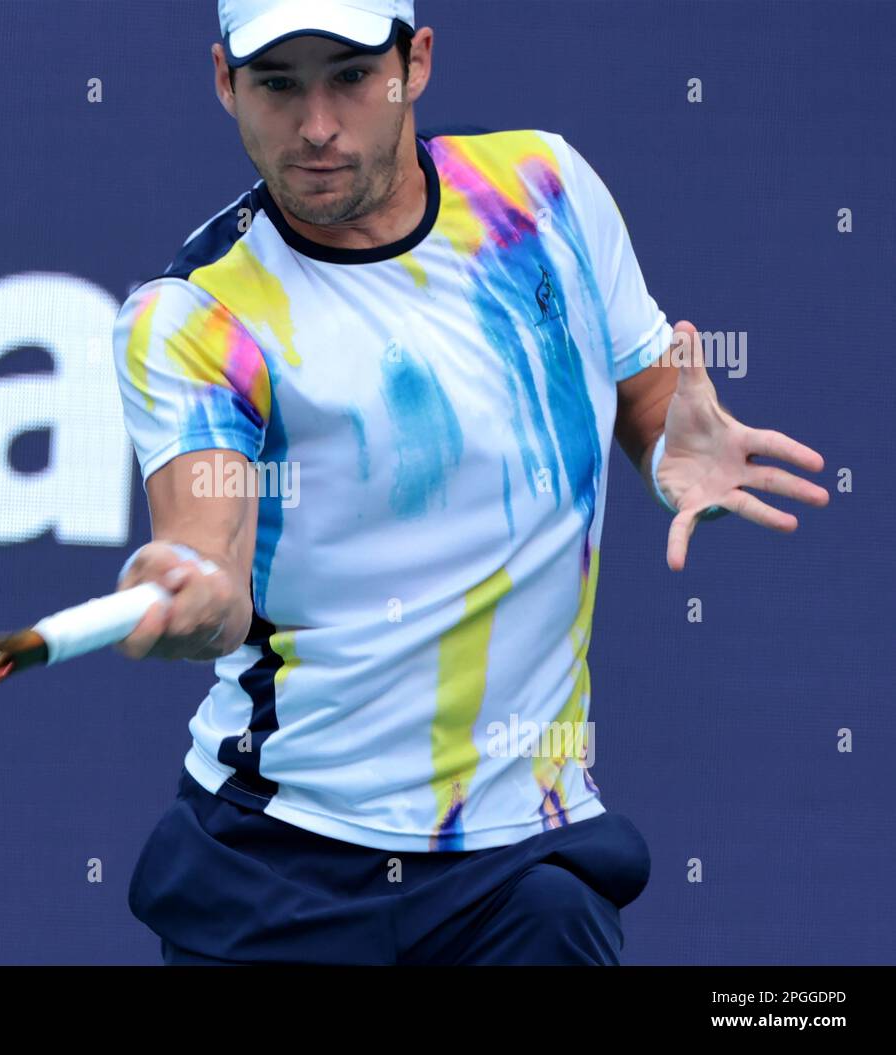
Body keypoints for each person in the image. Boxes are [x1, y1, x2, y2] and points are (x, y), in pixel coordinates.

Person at [108, 0, 829, 965]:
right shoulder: (193, 316)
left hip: (521, 864)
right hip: (280, 862)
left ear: (418, 62)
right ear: (225, 84)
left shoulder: (547, 192)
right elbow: (211, 557)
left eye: (353, 78)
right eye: (278, 84)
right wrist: (193, 593)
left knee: (556, 917)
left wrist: (669, 446)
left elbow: (646, 383)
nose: (317, 125)